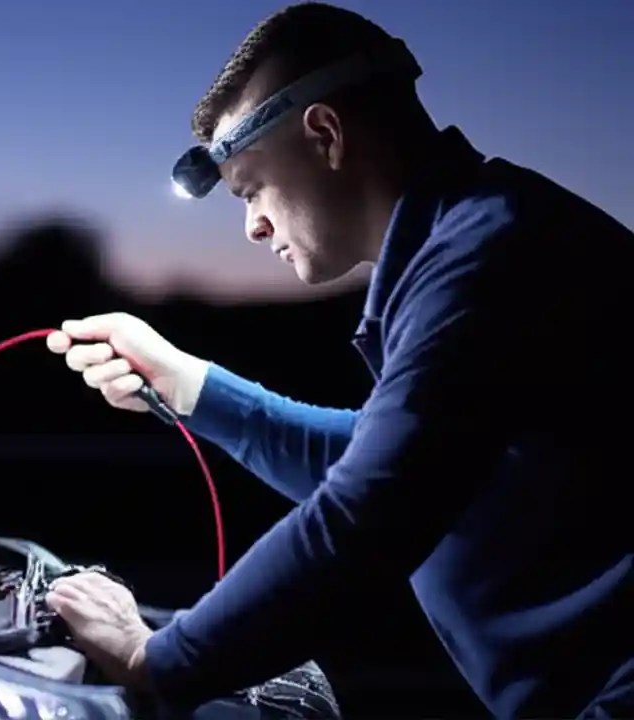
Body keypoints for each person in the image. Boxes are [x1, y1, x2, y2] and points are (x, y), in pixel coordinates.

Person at [43, 3, 633, 719]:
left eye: (250, 189)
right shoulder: (472, 236)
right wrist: (191, 386)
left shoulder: (490, 259)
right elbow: (392, 466)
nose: (253, 224)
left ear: (324, 134)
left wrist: (156, 658)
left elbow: (366, 516)